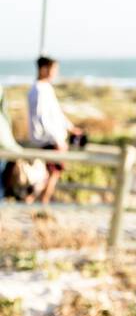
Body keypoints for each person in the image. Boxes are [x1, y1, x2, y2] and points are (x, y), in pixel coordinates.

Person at [26, 56, 84, 205]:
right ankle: (39, 205)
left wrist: (70, 127)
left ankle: (37, 204)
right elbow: (42, 118)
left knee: (51, 174)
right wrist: (56, 139)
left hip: (52, 138)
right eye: (54, 69)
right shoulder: (38, 89)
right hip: (48, 139)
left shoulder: (46, 88)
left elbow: (56, 113)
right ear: (43, 69)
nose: (56, 72)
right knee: (52, 173)